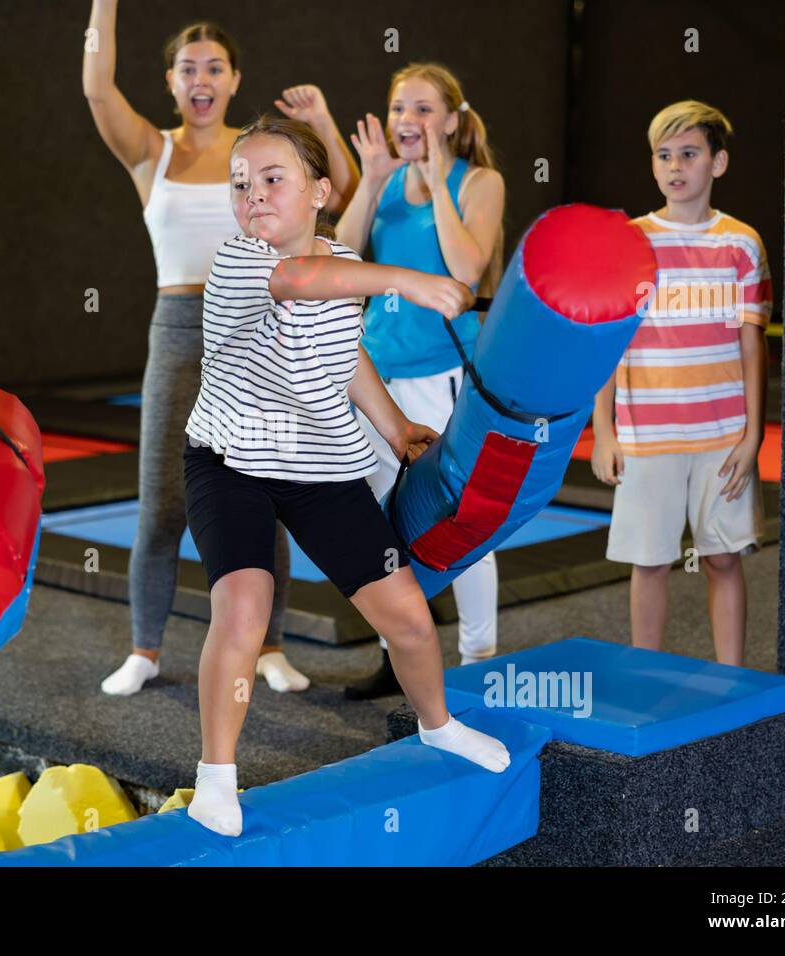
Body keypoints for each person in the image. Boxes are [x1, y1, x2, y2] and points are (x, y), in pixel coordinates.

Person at [182, 115, 510, 837]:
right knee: (243, 607)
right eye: (242, 184)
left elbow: (345, 351)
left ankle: (438, 725)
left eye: (273, 180)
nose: (254, 196)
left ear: (320, 192)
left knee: (410, 620)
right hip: (230, 459)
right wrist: (413, 280)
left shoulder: (339, 260)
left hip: (315, 462)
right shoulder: (241, 261)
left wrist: (395, 428)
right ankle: (215, 776)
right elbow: (304, 281)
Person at [82, 1, 359, 695]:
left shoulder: (258, 155)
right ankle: (145, 648)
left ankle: (269, 646)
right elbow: (95, 86)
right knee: (162, 503)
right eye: (186, 69)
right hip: (179, 329)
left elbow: (344, 189)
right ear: (170, 82)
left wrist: (324, 124)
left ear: (234, 79)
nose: (200, 79)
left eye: (214, 67)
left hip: (264, 330)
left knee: (266, 493)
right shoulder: (154, 152)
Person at [336, 62, 506, 698]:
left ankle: (478, 659)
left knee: (465, 522)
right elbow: (339, 264)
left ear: (454, 122)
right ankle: (397, 653)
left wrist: (437, 186)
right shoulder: (383, 180)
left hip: (443, 377)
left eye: (424, 109)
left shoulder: (477, 181)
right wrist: (374, 179)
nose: (408, 120)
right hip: (376, 379)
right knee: (380, 522)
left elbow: (466, 273)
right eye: (399, 108)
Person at [591, 100, 771, 667]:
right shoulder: (629, 241)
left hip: (722, 439)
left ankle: (732, 681)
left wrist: (752, 437)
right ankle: (645, 674)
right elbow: (607, 343)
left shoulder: (742, 244)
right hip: (647, 436)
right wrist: (604, 430)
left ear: (717, 163)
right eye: (664, 155)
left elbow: (752, 345)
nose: (675, 166)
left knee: (723, 559)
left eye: (689, 154)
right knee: (649, 561)